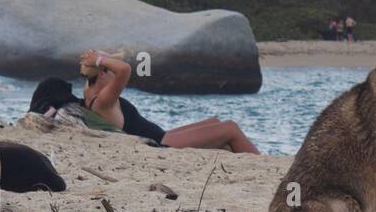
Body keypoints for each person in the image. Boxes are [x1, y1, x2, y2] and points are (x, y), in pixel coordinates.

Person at [78, 50, 259, 152]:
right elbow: (124, 69)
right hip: (161, 144)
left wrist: (98, 58)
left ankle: (243, 153)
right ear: (102, 73)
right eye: (110, 71)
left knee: (215, 123)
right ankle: (260, 164)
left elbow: (116, 63)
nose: (114, 76)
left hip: (162, 136)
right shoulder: (103, 99)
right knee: (230, 128)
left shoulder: (90, 93)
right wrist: (100, 60)